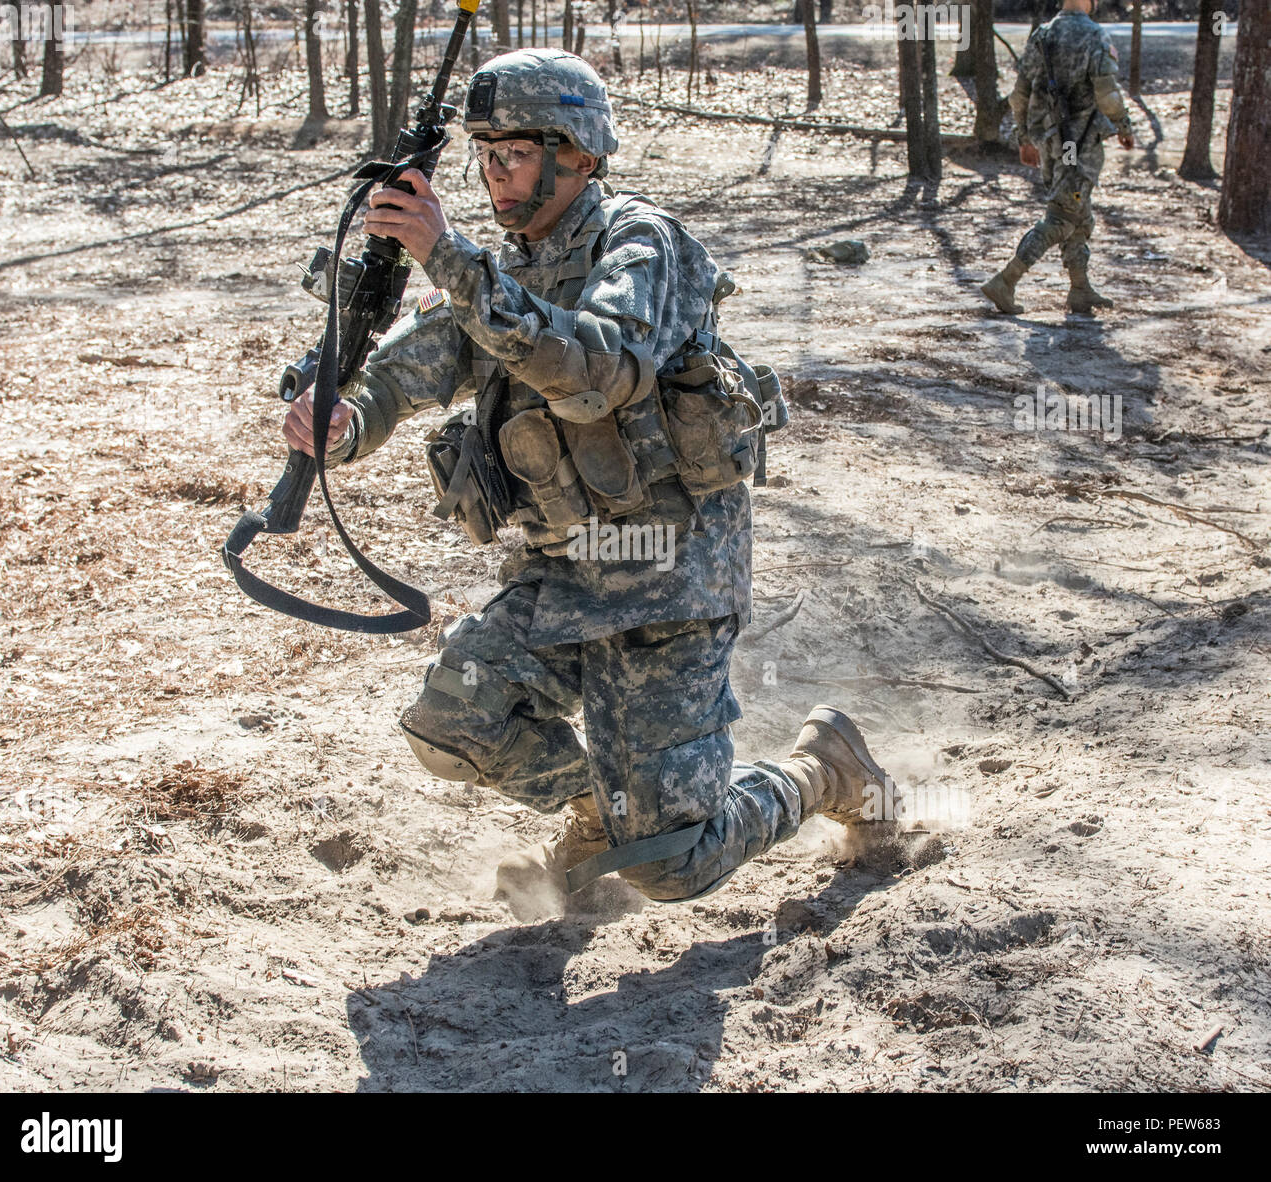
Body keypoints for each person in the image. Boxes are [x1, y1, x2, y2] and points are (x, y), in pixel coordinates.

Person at [282, 48, 905, 920]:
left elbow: (597, 368)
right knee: (452, 721)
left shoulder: (641, 245)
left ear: (578, 153)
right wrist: (345, 423)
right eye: (486, 154)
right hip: (566, 575)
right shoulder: (506, 267)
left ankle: (820, 769)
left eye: (517, 153)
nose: (496, 174)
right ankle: (598, 814)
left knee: (675, 868)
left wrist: (452, 259)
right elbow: (413, 369)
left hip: (671, 581)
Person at [981, 0, 1134, 315]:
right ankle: (1005, 281)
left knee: (1078, 211)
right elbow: (1107, 92)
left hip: (1050, 141)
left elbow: (1019, 94)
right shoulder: (1095, 36)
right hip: (1077, 144)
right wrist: (1124, 125)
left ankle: (1080, 288)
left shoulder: (1042, 35)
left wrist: (1024, 138)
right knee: (1064, 214)